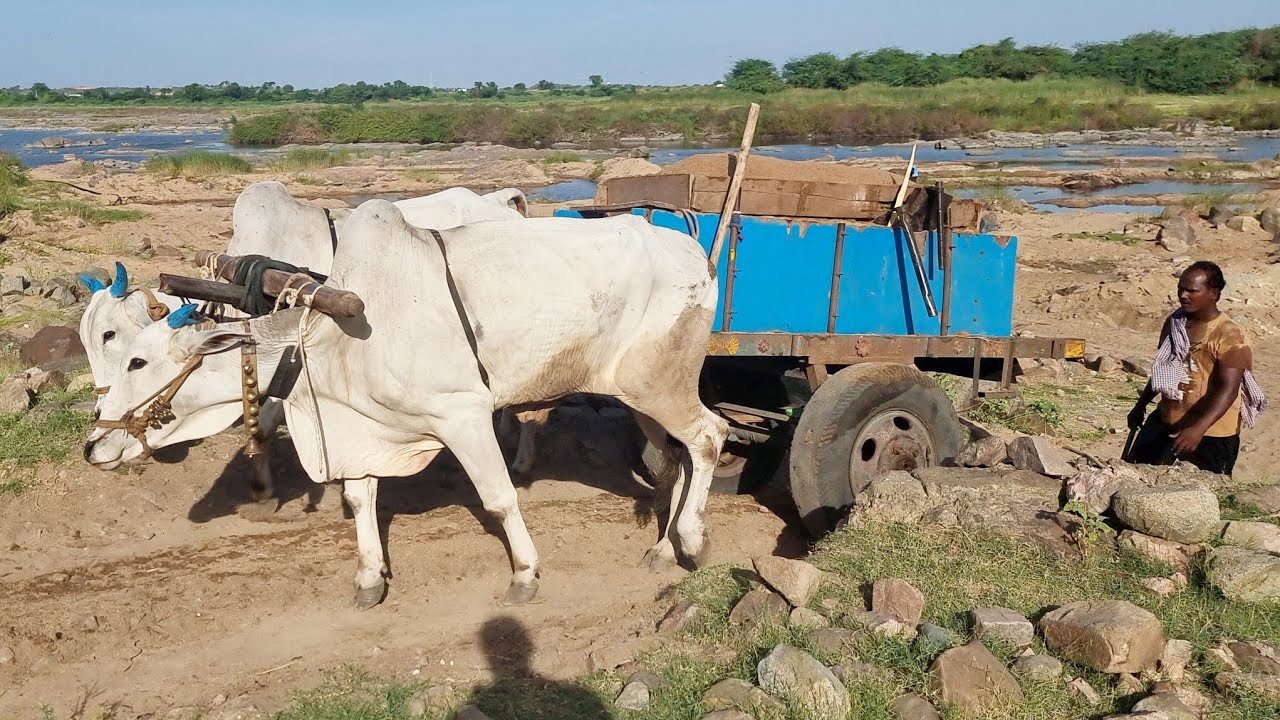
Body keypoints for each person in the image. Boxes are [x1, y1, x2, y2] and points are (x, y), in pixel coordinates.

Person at [1126, 261, 1265, 476]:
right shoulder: (1175, 323)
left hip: (1210, 433)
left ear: (1213, 294)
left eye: (1192, 290)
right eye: (1181, 288)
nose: (1183, 295)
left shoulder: (1230, 335)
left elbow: (1228, 390)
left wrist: (1198, 429)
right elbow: (1164, 369)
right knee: (1138, 476)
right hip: (1168, 421)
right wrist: (1141, 404)